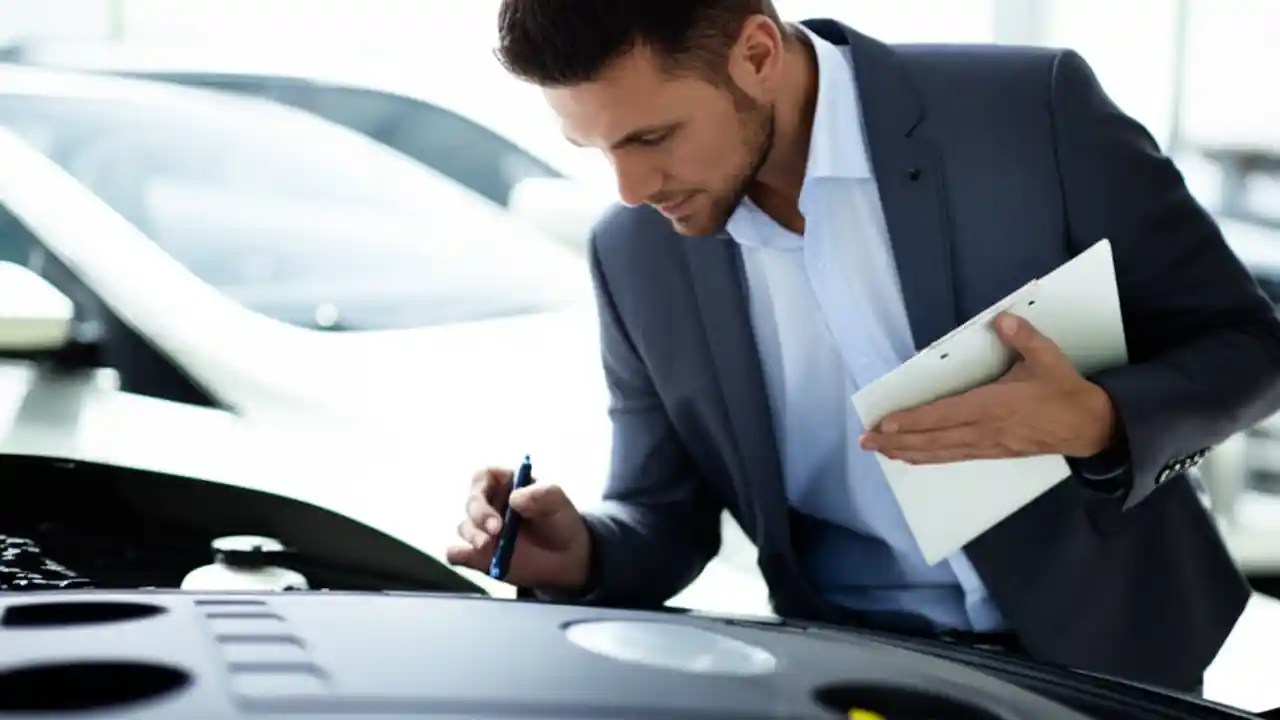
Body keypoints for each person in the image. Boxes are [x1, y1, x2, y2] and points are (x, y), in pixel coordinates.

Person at [447, 0, 1280, 693]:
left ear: (757, 52)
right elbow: (662, 515)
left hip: (1112, 664)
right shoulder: (633, 250)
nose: (629, 190)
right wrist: (584, 548)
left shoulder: (1031, 110)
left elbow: (1249, 345)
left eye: (651, 138)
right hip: (849, 670)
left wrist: (1100, 420)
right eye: (594, 148)